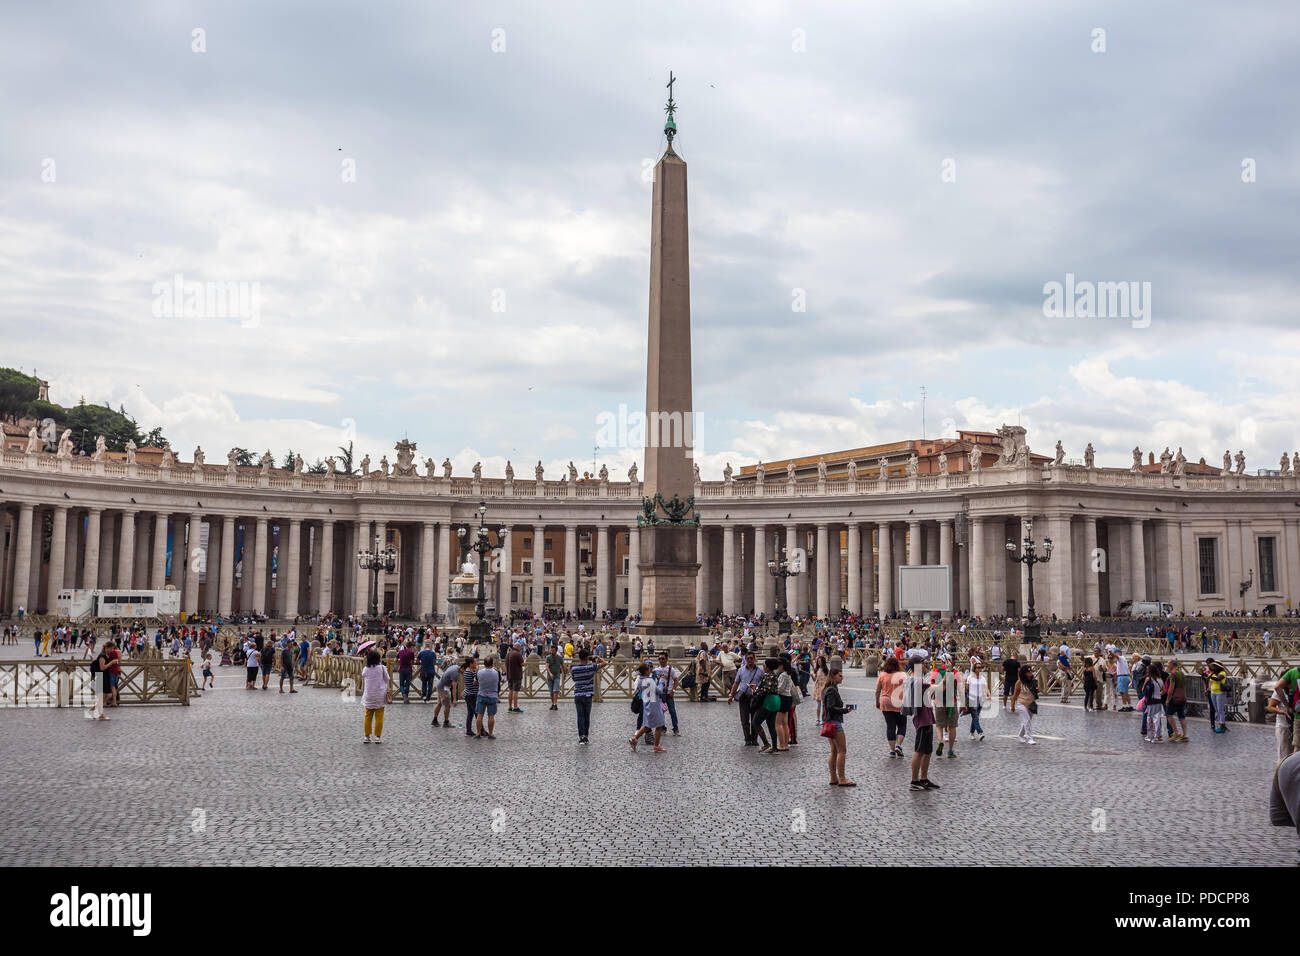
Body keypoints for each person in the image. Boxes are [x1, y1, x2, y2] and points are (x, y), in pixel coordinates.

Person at [904, 658, 939, 790]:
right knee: (919, 750)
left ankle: (923, 778)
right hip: (922, 719)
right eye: (924, 663)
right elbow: (936, 688)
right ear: (918, 666)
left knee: (927, 751)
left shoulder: (915, 679)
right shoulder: (916, 681)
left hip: (926, 717)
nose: (926, 665)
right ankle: (914, 781)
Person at [822, 664, 855, 786]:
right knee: (842, 751)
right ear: (833, 676)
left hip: (829, 722)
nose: (842, 678)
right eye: (840, 676)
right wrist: (844, 710)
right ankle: (842, 778)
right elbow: (830, 707)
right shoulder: (831, 689)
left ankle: (833, 778)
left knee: (834, 751)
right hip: (834, 722)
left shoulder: (830, 688)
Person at [630, 661, 666, 753]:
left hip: (646, 704)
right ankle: (656, 746)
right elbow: (659, 691)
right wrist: (661, 681)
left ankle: (634, 739)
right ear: (646, 671)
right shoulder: (649, 680)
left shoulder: (640, 680)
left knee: (646, 725)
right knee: (659, 725)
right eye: (648, 667)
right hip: (654, 705)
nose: (650, 668)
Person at [728, 650, 763, 746]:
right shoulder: (740, 670)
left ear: (754, 659)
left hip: (755, 697)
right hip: (744, 697)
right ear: (745, 659)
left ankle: (754, 739)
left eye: (752, 658)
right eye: (748, 658)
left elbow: (763, 684)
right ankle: (747, 739)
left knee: (755, 719)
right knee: (744, 719)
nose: (750, 660)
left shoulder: (760, 671)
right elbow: (736, 683)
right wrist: (731, 695)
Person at [566, 648, 601, 743]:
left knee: (580, 716)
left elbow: (574, 679)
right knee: (587, 716)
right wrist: (597, 657)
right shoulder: (591, 667)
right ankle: (586, 736)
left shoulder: (574, 669)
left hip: (578, 694)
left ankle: (581, 736)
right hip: (588, 694)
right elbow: (605, 663)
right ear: (587, 657)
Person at [876, 656, 907, 757]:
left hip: (886, 702)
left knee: (890, 727)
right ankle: (898, 745)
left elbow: (877, 691)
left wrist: (877, 701)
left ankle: (892, 751)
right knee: (902, 725)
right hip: (899, 702)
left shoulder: (882, 675)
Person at [750, 659, 781, 752]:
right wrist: (757, 687)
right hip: (775, 701)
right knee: (771, 724)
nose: (763, 666)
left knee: (755, 722)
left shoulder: (767, 676)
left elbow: (766, 690)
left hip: (768, 701)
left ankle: (766, 743)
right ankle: (774, 746)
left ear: (767, 667)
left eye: (764, 665)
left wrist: (755, 691)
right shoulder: (775, 675)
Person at [361, 649, 391, 743]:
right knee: (379, 716)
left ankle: (367, 736)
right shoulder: (382, 668)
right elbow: (387, 679)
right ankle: (377, 737)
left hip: (369, 695)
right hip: (379, 695)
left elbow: (363, 675)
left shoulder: (366, 669)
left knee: (368, 716)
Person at [653, 652, 681, 736]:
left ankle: (675, 729)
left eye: (663, 658)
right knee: (661, 712)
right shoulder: (656, 670)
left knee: (672, 711)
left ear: (667, 659)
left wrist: (673, 691)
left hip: (669, 695)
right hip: (660, 695)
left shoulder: (671, 670)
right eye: (660, 659)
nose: (661, 660)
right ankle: (662, 728)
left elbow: (676, 680)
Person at [1009, 663, 1038, 745]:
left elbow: (1036, 692)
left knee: (1027, 721)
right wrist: (1012, 706)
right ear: (1024, 673)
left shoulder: (1034, 681)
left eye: (1031, 672)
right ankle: (1030, 738)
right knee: (1027, 720)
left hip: (1031, 703)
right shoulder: (1019, 682)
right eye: (1028, 672)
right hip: (1021, 703)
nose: (1030, 674)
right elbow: (1014, 695)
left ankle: (1020, 735)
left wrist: (1037, 689)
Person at [474, 656, 500, 739]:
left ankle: (478, 733)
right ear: (492, 663)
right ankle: (491, 734)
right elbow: (501, 680)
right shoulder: (496, 672)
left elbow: (475, 682)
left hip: (481, 694)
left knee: (479, 715)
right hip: (492, 695)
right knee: (491, 716)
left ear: (484, 664)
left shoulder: (479, 672)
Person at [1141, 662, 1166, 743]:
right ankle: (1158, 736)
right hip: (1158, 701)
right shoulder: (1160, 679)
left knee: (1150, 719)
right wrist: (1158, 694)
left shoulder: (1148, 679)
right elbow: (1164, 691)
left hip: (1151, 702)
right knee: (1157, 719)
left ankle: (1151, 736)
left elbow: (1143, 690)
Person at [433, 656, 460, 728]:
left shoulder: (454, 667)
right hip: (444, 688)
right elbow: (454, 688)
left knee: (439, 703)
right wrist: (454, 700)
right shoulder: (455, 673)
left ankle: (434, 720)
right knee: (447, 705)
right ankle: (446, 722)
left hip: (440, 685)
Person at [965, 658, 988, 742]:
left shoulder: (983, 678)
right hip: (972, 699)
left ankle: (971, 733)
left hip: (980, 700)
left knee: (975, 717)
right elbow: (966, 689)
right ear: (974, 669)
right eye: (977, 667)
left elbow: (986, 687)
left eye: (980, 667)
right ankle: (980, 732)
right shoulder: (970, 678)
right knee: (975, 716)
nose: (979, 669)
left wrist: (988, 695)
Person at [1165, 661, 1189, 742]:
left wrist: (1168, 699)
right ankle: (1185, 734)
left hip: (1175, 697)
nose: (1167, 666)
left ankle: (1176, 732)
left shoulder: (1172, 674)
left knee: (1168, 714)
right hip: (1182, 696)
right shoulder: (1181, 673)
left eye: (1168, 664)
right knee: (1182, 716)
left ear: (1172, 665)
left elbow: (1171, 688)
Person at [1204, 659, 1229, 733]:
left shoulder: (1222, 673)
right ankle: (1221, 724)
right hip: (1213, 692)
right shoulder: (1213, 673)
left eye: (1215, 666)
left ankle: (1222, 726)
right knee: (1217, 709)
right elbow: (1207, 680)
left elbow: (1218, 679)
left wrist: (1210, 677)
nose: (1213, 667)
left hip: (1220, 693)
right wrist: (1205, 676)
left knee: (1220, 709)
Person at [460, 657, 479, 736]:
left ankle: (468, 730)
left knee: (470, 713)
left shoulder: (469, 671)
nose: (476, 664)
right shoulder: (470, 672)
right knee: (477, 713)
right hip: (471, 695)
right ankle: (481, 729)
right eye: (475, 663)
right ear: (471, 664)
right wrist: (477, 671)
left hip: (469, 694)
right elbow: (476, 681)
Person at [505, 642, 525, 713]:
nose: (520, 649)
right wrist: (526, 662)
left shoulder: (508, 654)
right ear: (518, 647)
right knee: (515, 691)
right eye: (520, 647)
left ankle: (510, 707)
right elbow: (522, 664)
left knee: (510, 691)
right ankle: (516, 707)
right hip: (516, 675)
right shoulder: (517, 654)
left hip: (509, 675)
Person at [544, 644, 564, 710]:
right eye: (551, 650)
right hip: (550, 677)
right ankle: (552, 704)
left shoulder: (560, 658)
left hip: (557, 676)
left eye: (553, 650)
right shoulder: (548, 657)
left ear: (556, 651)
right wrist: (550, 674)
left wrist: (565, 674)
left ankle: (555, 704)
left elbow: (563, 666)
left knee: (556, 690)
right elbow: (546, 666)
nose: (552, 651)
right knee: (551, 692)